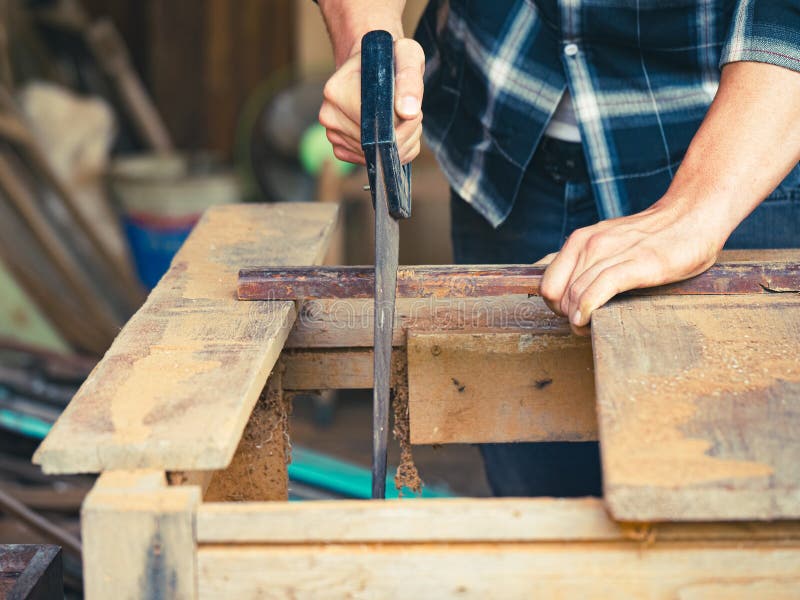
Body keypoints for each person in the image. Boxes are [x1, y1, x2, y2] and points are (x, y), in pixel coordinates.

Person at [315, 0, 800, 497]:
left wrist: (697, 209)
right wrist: (365, 42)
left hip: (739, 152)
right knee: (538, 501)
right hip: (507, 156)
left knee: (730, 499)